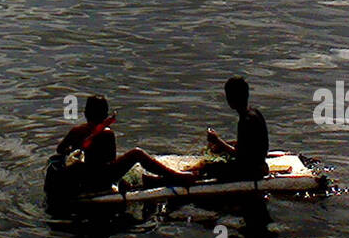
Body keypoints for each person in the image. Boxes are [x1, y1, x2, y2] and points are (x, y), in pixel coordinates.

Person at [47, 94, 195, 198]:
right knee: (136, 153)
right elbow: (110, 161)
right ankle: (175, 176)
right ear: (105, 115)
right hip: (101, 180)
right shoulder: (106, 133)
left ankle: (157, 179)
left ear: (86, 113)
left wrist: (77, 150)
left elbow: (61, 150)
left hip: (85, 177)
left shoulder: (76, 131)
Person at [202, 76, 270, 180]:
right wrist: (225, 144)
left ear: (230, 99)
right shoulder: (254, 113)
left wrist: (217, 141)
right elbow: (248, 145)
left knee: (209, 168)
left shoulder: (247, 121)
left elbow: (241, 156)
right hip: (258, 165)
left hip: (252, 170)